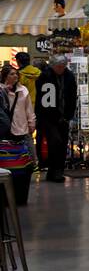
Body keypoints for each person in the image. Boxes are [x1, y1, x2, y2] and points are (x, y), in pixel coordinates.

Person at [35, 53, 77, 183]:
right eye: (58, 66)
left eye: (63, 66)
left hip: (64, 116)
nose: (61, 69)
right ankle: (54, 170)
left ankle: (56, 171)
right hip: (48, 117)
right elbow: (41, 99)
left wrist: (69, 114)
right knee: (55, 142)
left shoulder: (69, 76)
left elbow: (72, 96)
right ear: (52, 66)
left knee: (62, 144)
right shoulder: (44, 76)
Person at [0, 64, 35, 204]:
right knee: (7, 162)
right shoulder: (1, 91)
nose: (15, 76)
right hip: (5, 131)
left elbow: (28, 108)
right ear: (5, 76)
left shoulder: (23, 90)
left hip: (21, 129)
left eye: (16, 74)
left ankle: (21, 191)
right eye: (11, 74)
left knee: (27, 161)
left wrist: (31, 123)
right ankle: (8, 193)